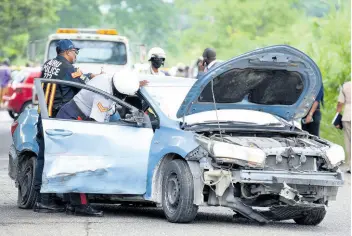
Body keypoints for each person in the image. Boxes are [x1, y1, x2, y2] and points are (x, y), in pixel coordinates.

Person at [34, 39, 99, 214]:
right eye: (75, 52)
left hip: (44, 115)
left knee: (44, 157)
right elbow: (85, 89)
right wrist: (92, 78)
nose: (76, 55)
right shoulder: (69, 68)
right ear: (68, 52)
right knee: (65, 159)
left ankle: (42, 199)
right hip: (59, 117)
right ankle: (65, 201)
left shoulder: (48, 64)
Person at [335, 81, 351, 173]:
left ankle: (350, 165)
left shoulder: (346, 86)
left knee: (348, 141)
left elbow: (340, 103)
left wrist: (337, 118)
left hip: (348, 115)